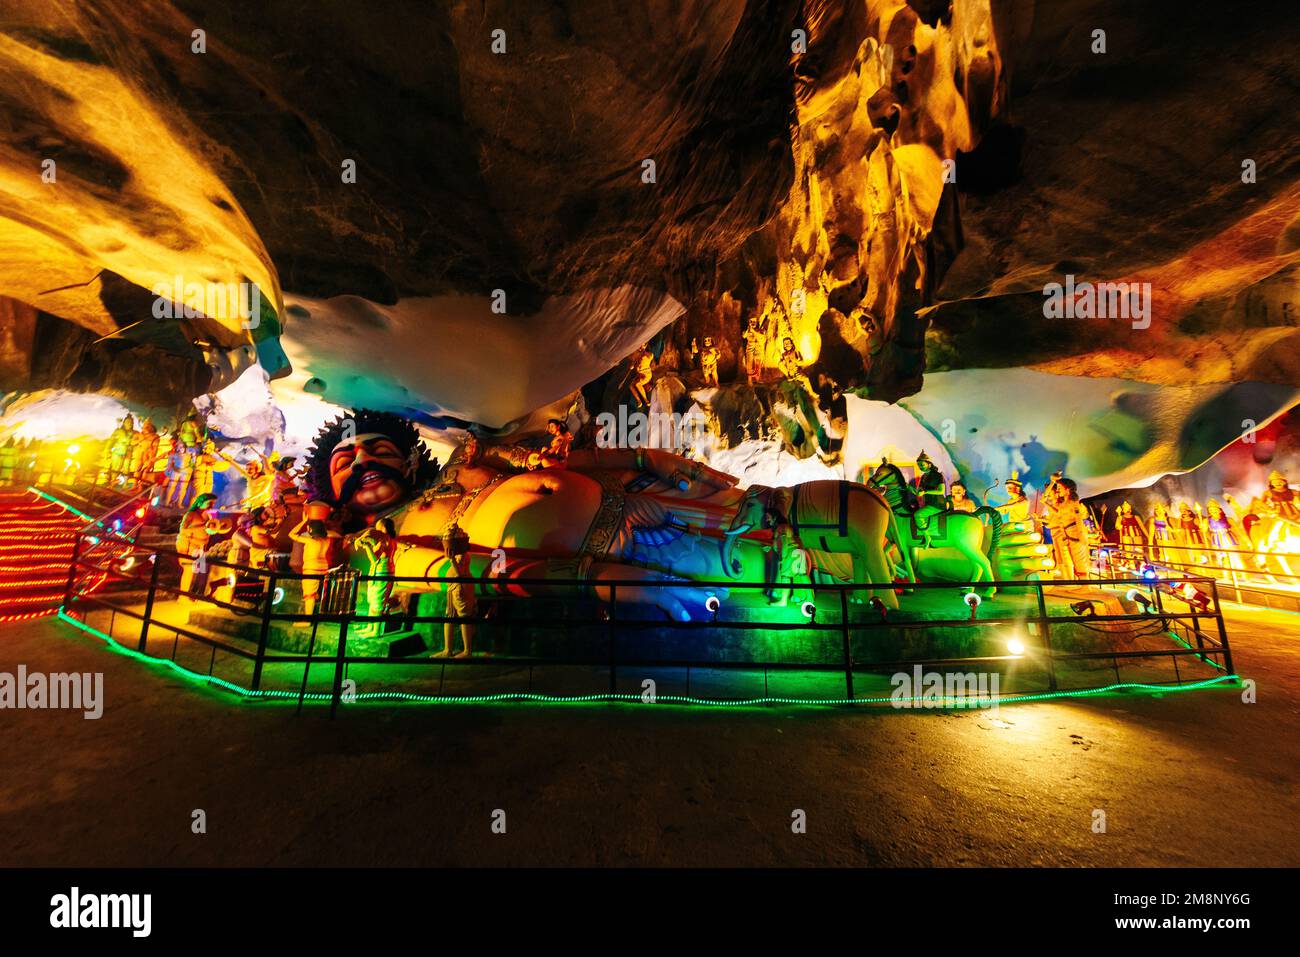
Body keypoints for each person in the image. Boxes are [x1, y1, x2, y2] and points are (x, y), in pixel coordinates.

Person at [176, 493, 230, 600]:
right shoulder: (190, 515)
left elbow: (211, 530)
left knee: (197, 572)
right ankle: (183, 597)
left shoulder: (209, 516)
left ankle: (192, 594)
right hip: (188, 546)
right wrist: (203, 526)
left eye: (213, 503)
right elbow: (183, 530)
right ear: (200, 503)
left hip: (201, 547)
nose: (211, 506)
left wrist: (219, 527)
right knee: (188, 571)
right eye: (209, 503)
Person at [435, 522, 477, 657]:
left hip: (460, 587)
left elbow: (459, 573)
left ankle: (467, 651)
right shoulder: (462, 554)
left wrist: (451, 559)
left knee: (464, 617)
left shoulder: (462, 556)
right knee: (449, 617)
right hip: (453, 587)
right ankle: (448, 649)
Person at [289, 514, 342, 620]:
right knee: (316, 592)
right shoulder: (326, 539)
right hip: (323, 567)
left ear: (310, 529)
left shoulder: (310, 540)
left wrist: (303, 522)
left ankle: (307, 619)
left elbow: (291, 534)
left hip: (311, 568)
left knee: (309, 594)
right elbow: (337, 535)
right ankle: (312, 611)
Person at [352, 518, 399, 637]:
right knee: (374, 600)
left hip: (382, 573)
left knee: (377, 602)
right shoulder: (392, 540)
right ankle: (370, 627)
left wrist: (366, 547)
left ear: (383, 528)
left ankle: (375, 631)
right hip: (385, 572)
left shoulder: (384, 540)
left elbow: (374, 559)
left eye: (378, 527)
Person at [742, 317, 766, 382]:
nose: (753, 323)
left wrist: (754, 331)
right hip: (750, 349)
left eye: (754, 321)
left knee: (758, 364)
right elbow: (744, 336)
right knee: (749, 364)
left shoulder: (761, 330)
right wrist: (748, 329)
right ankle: (749, 380)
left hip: (758, 349)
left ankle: (758, 379)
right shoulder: (747, 331)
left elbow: (762, 337)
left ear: (757, 322)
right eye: (751, 321)